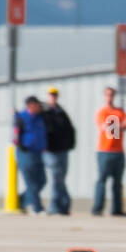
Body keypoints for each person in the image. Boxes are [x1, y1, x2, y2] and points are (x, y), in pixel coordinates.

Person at [92, 86, 126, 216]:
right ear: (105, 96)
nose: (109, 97)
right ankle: (97, 208)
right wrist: (119, 125)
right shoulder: (102, 112)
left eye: (111, 95)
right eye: (107, 95)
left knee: (117, 182)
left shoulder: (119, 111)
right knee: (102, 180)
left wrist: (117, 125)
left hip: (118, 151)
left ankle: (117, 209)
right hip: (104, 151)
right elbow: (105, 127)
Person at [13, 96, 50, 215]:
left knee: (42, 180)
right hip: (25, 153)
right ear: (30, 105)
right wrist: (20, 145)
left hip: (38, 153)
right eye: (37, 105)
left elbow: (48, 107)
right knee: (32, 182)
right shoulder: (21, 117)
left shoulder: (40, 117)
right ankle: (37, 208)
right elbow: (16, 135)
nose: (39, 107)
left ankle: (21, 201)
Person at [42, 87, 75, 215]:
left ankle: (63, 205)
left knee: (60, 178)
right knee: (57, 177)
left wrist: (70, 144)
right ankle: (56, 206)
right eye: (51, 95)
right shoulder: (45, 112)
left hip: (63, 150)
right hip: (51, 150)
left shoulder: (61, 112)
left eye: (55, 95)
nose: (53, 97)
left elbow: (70, 129)